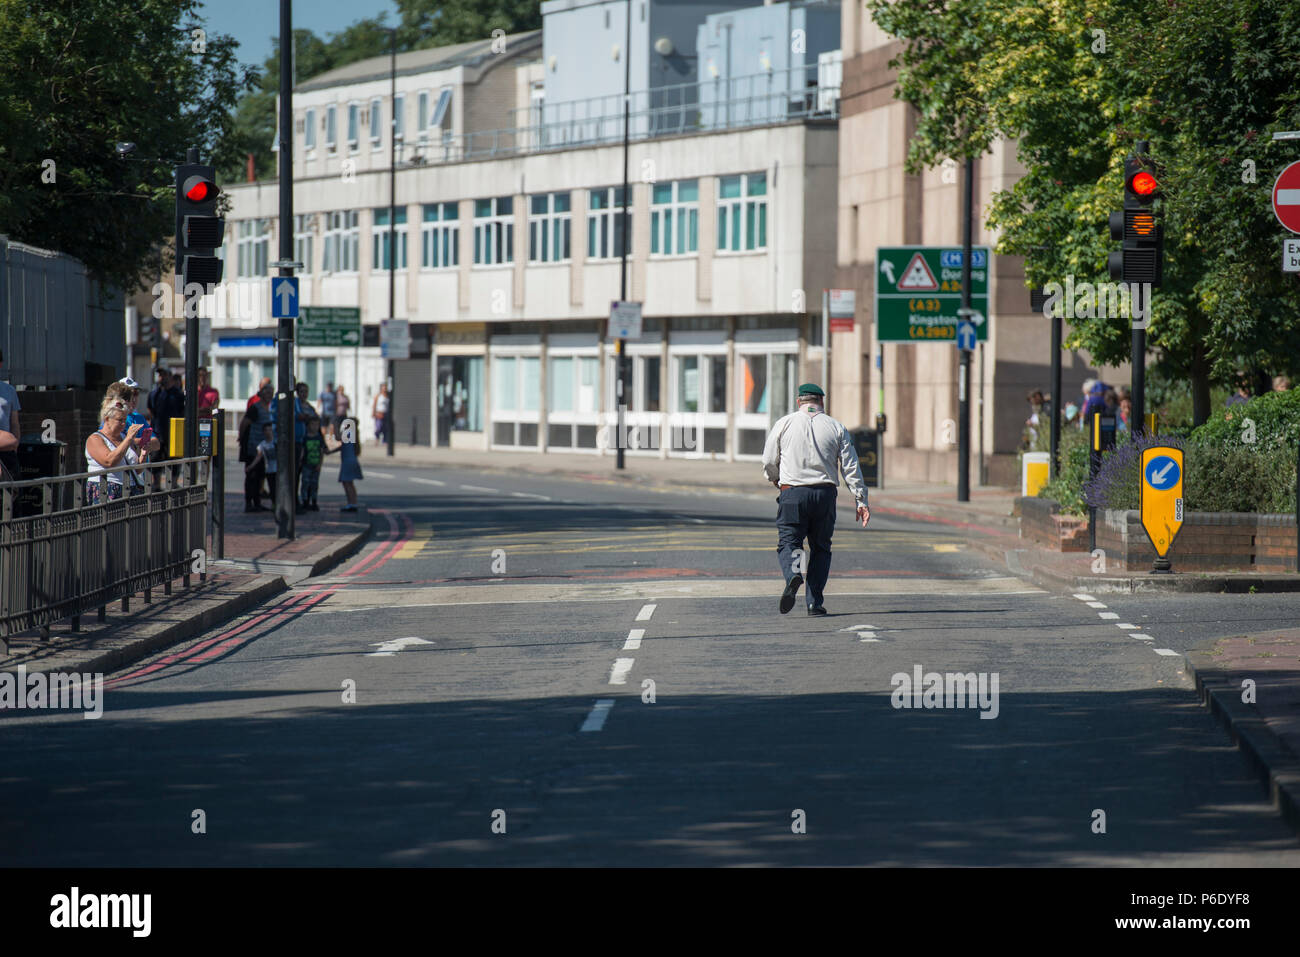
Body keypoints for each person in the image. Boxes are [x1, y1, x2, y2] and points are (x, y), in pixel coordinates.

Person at [760, 383, 870, 616]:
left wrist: (776, 479)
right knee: (821, 548)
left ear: (799, 402)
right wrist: (861, 500)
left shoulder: (784, 423)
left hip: (793, 493)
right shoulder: (836, 427)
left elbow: (769, 459)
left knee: (791, 542)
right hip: (824, 494)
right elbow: (850, 467)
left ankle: (794, 575)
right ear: (821, 401)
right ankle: (814, 603)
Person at [85, 398, 143, 504]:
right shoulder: (95, 439)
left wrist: (144, 454)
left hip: (129, 490)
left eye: (125, 420)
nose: (123, 424)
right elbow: (109, 461)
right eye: (120, 420)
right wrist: (128, 439)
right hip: (106, 490)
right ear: (107, 419)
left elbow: (136, 470)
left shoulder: (124, 437)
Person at [327, 415, 363, 511]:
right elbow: (343, 446)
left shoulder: (348, 433)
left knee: (346, 483)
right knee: (349, 483)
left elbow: (339, 440)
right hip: (352, 460)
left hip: (348, 462)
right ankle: (353, 502)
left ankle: (351, 504)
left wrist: (334, 425)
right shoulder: (354, 434)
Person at [0, 348, 22, 482]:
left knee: (11, 495)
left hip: (7, 451)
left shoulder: (9, 391)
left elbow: (15, 423)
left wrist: (15, 446)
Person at [245, 422, 278, 508]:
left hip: (278, 469)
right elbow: (258, 457)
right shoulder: (262, 444)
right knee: (272, 488)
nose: (268, 432)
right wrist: (250, 466)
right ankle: (274, 504)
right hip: (269, 470)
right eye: (266, 430)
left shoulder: (276, 442)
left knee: (278, 488)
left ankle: (279, 504)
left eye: (270, 430)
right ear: (263, 432)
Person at [300, 417, 325, 511]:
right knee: (305, 483)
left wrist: (320, 464)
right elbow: (302, 451)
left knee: (314, 483)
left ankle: (314, 501)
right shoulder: (305, 437)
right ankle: (305, 501)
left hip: (316, 464)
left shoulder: (319, 438)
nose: (314, 427)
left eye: (316, 425)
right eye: (312, 424)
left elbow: (322, 452)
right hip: (306, 464)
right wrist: (300, 461)